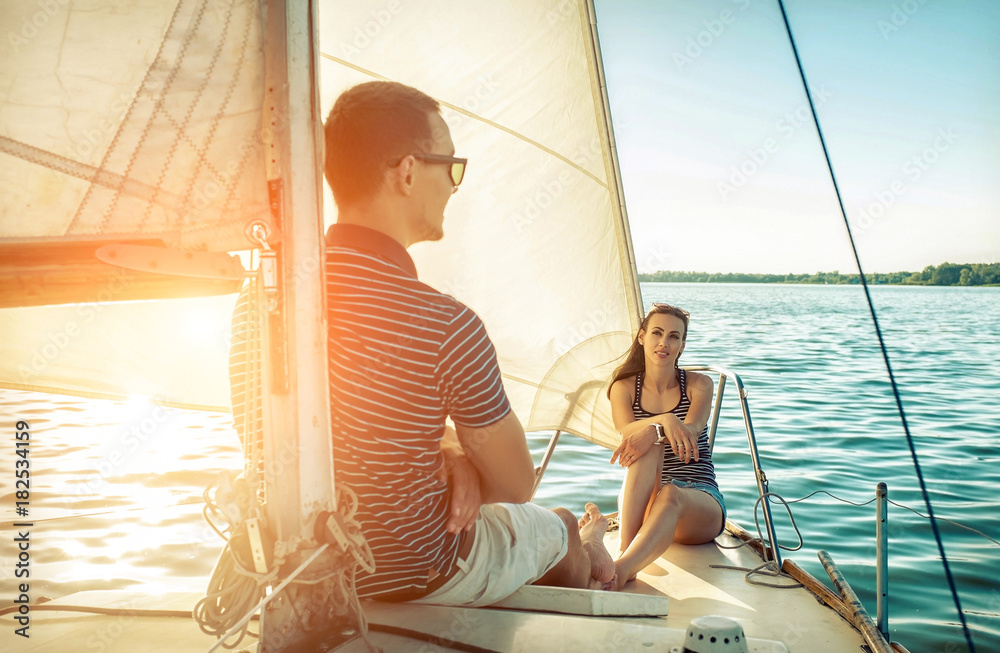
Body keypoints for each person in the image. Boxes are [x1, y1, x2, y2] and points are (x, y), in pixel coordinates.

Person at [322, 80, 614, 606]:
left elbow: (344, 421)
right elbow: (517, 485)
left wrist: (448, 448)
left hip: (301, 570)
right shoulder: (444, 324)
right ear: (409, 172)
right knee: (561, 526)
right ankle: (586, 558)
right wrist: (461, 455)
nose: (455, 186)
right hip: (414, 572)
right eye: (451, 168)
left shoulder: (259, 303)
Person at [606, 303, 725, 590]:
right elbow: (626, 434)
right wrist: (663, 421)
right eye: (657, 333)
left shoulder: (699, 385)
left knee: (670, 490)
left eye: (674, 336)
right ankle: (626, 551)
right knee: (648, 442)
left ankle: (620, 570)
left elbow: (693, 430)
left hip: (699, 500)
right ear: (642, 337)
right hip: (648, 499)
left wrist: (662, 427)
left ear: (682, 345)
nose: (664, 343)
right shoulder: (623, 389)